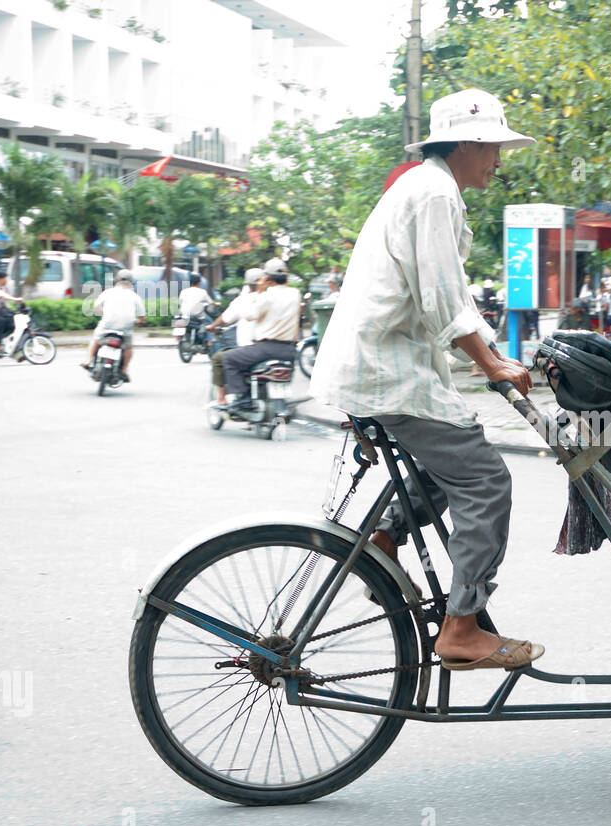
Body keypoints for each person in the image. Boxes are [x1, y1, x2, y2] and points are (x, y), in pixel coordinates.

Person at [309, 87, 541, 672]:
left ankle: (384, 543)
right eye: (491, 147)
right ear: (465, 142)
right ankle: (461, 629)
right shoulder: (435, 191)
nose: (497, 159)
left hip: (387, 365)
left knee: (454, 453)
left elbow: (450, 296)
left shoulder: (427, 185)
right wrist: (491, 365)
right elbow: (440, 297)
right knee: (487, 482)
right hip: (386, 369)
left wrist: (497, 356)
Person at [219, 258, 300, 411]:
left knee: (228, 359)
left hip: (265, 348)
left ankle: (242, 398)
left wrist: (261, 290)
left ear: (267, 278)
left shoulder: (267, 296)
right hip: (288, 350)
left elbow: (249, 315)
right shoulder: (295, 293)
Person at [206, 267, 264, 403]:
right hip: (273, 348)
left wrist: (212, 327)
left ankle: (223, 398)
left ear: (248, 284)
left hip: (250, 349)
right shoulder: (273, 298)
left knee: (219, 359)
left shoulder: (243, 300)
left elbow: (225, 319)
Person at [83, 269, 145, 379]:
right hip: (126, 328)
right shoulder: (135, 296)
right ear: (131, 282)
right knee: (128, 347)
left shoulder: (108, 292)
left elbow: (96, 307)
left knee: (96, 339)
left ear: (117, 280)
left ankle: (89, 361)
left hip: (107, 325)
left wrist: (103, 313)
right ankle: (124, 370)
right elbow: (142, 316)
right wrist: (139, 321)